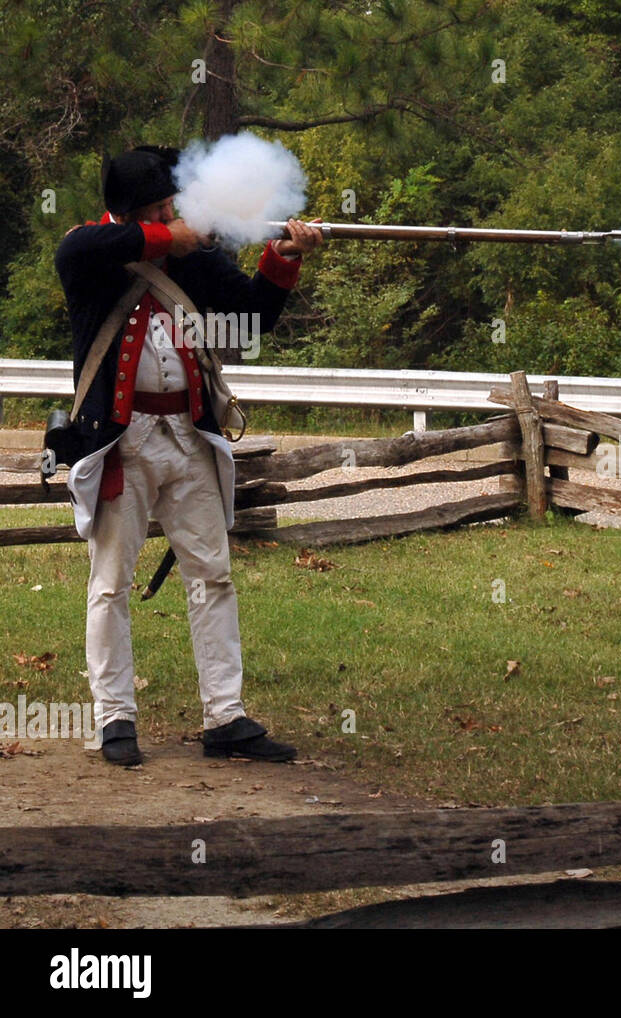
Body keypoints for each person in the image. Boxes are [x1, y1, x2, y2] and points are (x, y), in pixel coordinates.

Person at [55, 144, 323, 766]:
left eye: (171, 206)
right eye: (158, 209)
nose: (171, 216)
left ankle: (225, 716)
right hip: (121, 441)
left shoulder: (191, 255)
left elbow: (251, 319)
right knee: (110, 584)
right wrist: (166, 236)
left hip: (189, 432)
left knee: (213, 576)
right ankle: (114, 718)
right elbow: (79, 249)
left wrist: (282, 257)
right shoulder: (91, 252)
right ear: (127, 213)